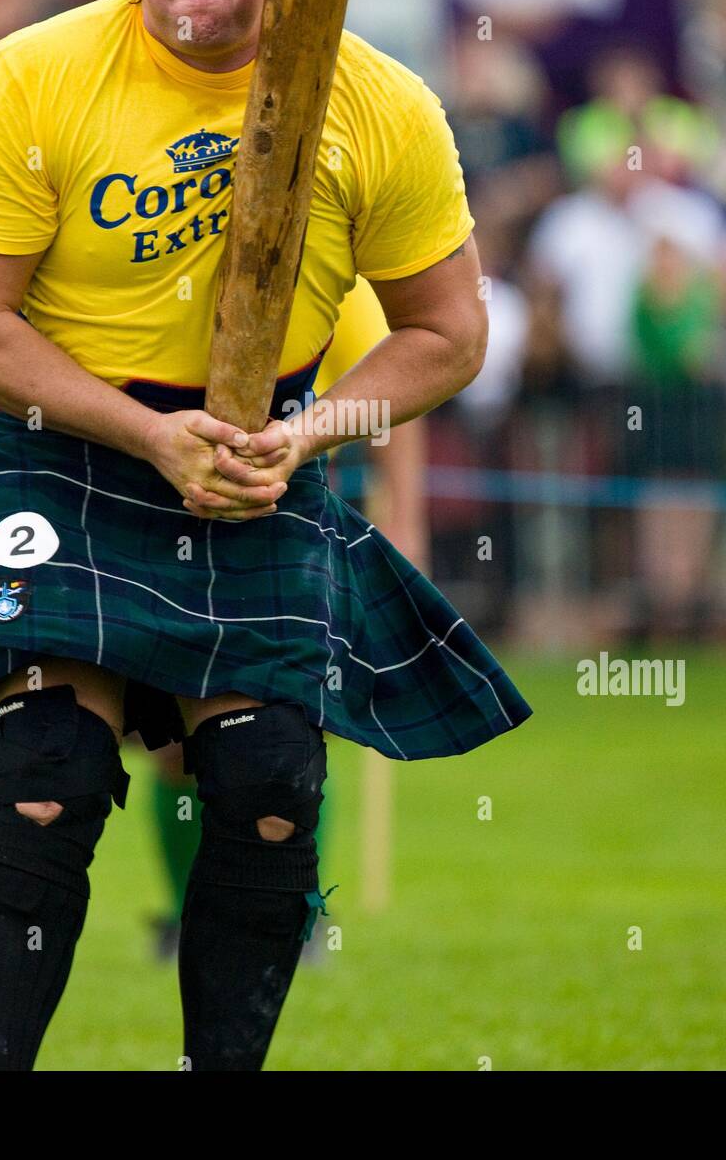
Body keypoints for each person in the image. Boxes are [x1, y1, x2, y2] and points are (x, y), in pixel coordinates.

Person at [0, 0, 531, 1073]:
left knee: (267, 779)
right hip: (62, 437)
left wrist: (304, 434)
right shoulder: (36, 76)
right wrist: (147, 435)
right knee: (47, 772)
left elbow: (449, 335)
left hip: (260, 439)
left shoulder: (377, 100)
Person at [142, 276, 430, 964]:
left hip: (281, 524)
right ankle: (189, 916)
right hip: (158, 509)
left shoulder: (336, 278)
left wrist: (407, 520)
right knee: (173, 741)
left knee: (288, 727)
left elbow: (396, 387)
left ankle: (294, 922)